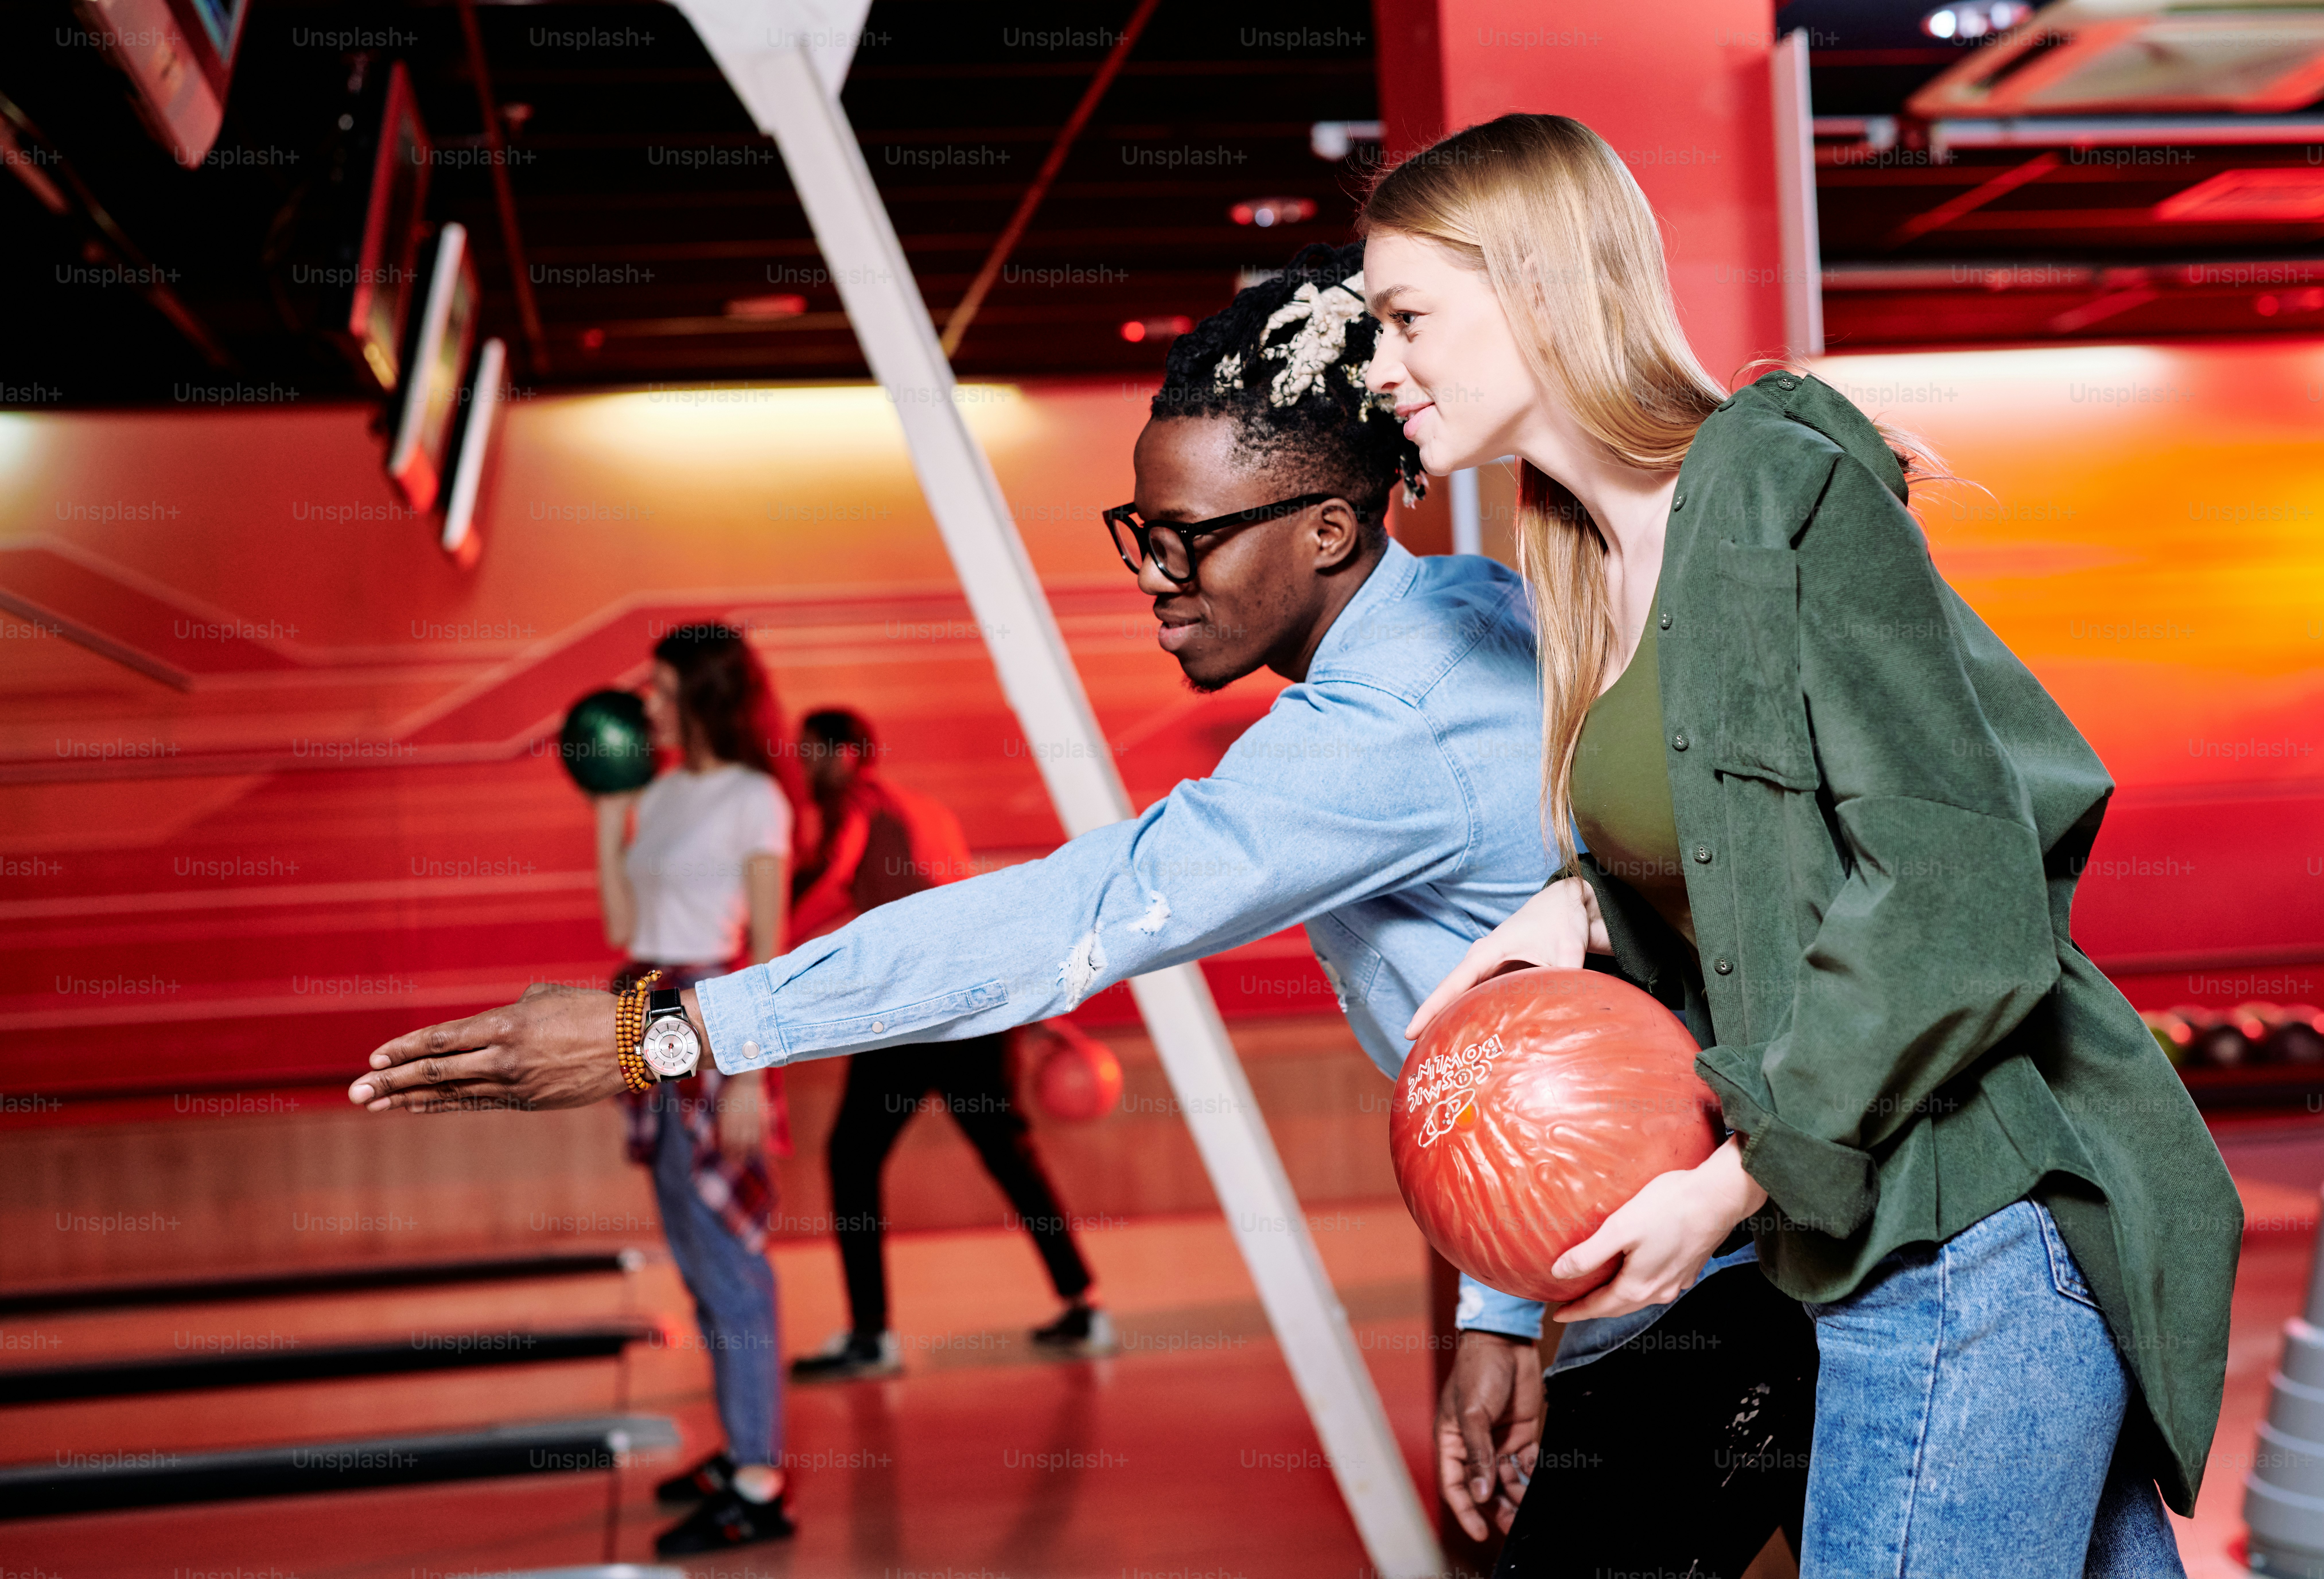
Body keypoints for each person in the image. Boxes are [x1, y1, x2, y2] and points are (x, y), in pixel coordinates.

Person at [350, 243, 1813, 1569]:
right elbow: (1538, 1026)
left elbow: (1072, 917)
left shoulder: (1379, 730)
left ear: (1323, 530)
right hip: (1704, 1248)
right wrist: (1499, 1308)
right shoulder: (1462, 612)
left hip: (1735, 1270)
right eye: (1143, 532)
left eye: (1190, 540)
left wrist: (660, 1033)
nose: (1156, 581)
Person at [1368, 114, 2240, 1575]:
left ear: (1536, 287)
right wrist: (1586, 906)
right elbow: (1758, 853)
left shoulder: (1773, 485)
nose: (1381, 367)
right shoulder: (1589, 565)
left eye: (1405, 318)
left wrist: (1727, 1183)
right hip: (1878, 1254)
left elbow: (1956, 889)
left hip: (1962, 1241)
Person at [781, 705, 1107, 1379]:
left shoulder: (856, 801)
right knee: (1008, 1154)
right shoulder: (926, 809)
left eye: (810, 752)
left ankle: (871, 1336)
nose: (802, 766)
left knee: (852, 1157)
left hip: (919, 1006)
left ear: (845, 755)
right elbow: (960, 900)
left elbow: (833, 872)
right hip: (981, 1004)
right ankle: (1085, 1306)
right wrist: (1032, 1004)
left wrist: (764, 935)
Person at [591, 623, 802, 1555]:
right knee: (692, 1248)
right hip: (649, 1006)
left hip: (716, 1018)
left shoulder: (755, 798)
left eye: (666, 690)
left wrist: (752, 1073)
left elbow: (769, 952)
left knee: (731, 1258)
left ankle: (759, 1481)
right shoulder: (664, 791)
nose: (650, 704)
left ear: (709, 697)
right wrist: (609, 814)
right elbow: (624, 923)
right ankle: (739, 1448)